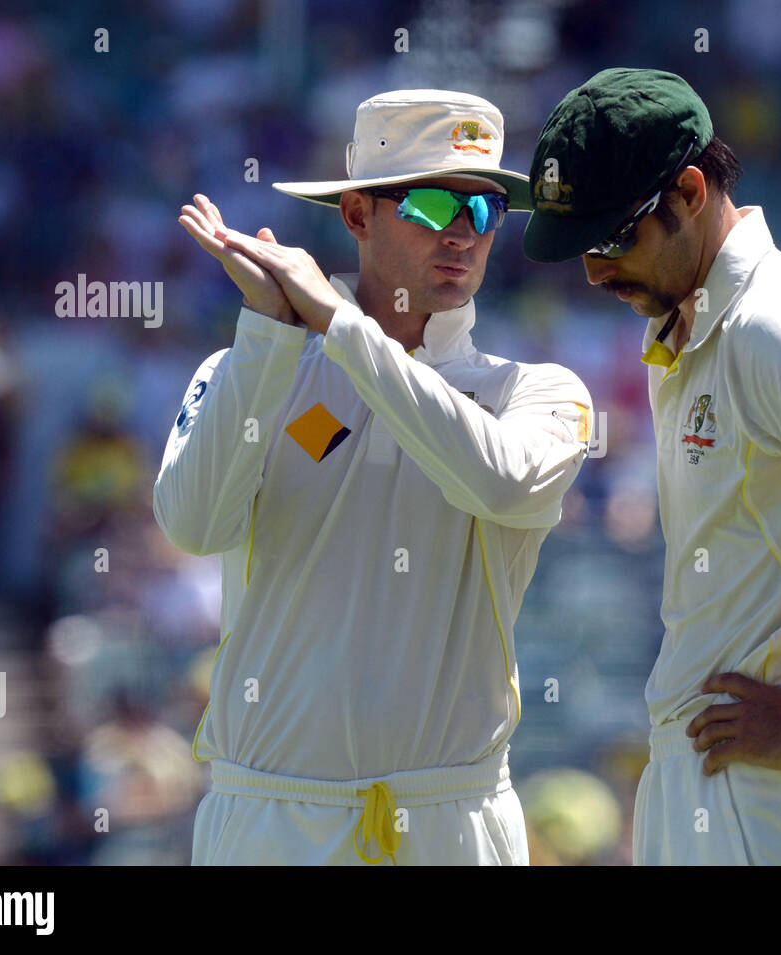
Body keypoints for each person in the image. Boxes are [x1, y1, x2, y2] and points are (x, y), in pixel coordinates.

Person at [156, 89, 593, 865]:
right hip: (269, 820)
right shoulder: (252, 365)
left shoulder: (537, 391)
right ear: (357, 216)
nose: (463, 232)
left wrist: (342, 329)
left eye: (486, 210)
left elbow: (501, 482)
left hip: (452, 820)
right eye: (432, 204)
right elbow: (192, 525)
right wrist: (266, 335)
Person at [523, 68, 781, 865]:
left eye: (614, 236)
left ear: (687, 191)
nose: (594, 271)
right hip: (734, 781)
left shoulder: (775, 321)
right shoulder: (692, 324)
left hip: (780, 793)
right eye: (584, 245)